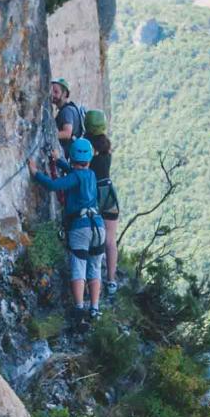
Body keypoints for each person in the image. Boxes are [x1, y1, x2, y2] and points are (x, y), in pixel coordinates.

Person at [29, 138, 105, 321]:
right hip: (99, 226)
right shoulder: (91, 175)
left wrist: (36, 173)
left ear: (72, 156)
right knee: (94, 268)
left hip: (81, 227)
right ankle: (94, 308)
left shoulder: (75, 176)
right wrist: (59, 161)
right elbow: (76, 174)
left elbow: (54, 185)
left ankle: (79, 309)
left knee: (79, 267)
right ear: (89, 158)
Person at [84, 108, 121, 297]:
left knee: (93, 239)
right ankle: (112, 280)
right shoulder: (106, 147)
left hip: (94, 195)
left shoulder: (87, 149)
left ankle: (92, 279)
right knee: (110, 240)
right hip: (110, 194)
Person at [48, 77, 84, 170]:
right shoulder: (70, 109)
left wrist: (48, 135)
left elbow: (67, 133)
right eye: (52, 91)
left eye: (56, 92)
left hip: (65, 153)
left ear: (64, 94)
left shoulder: (66, 111)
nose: (53, 95)